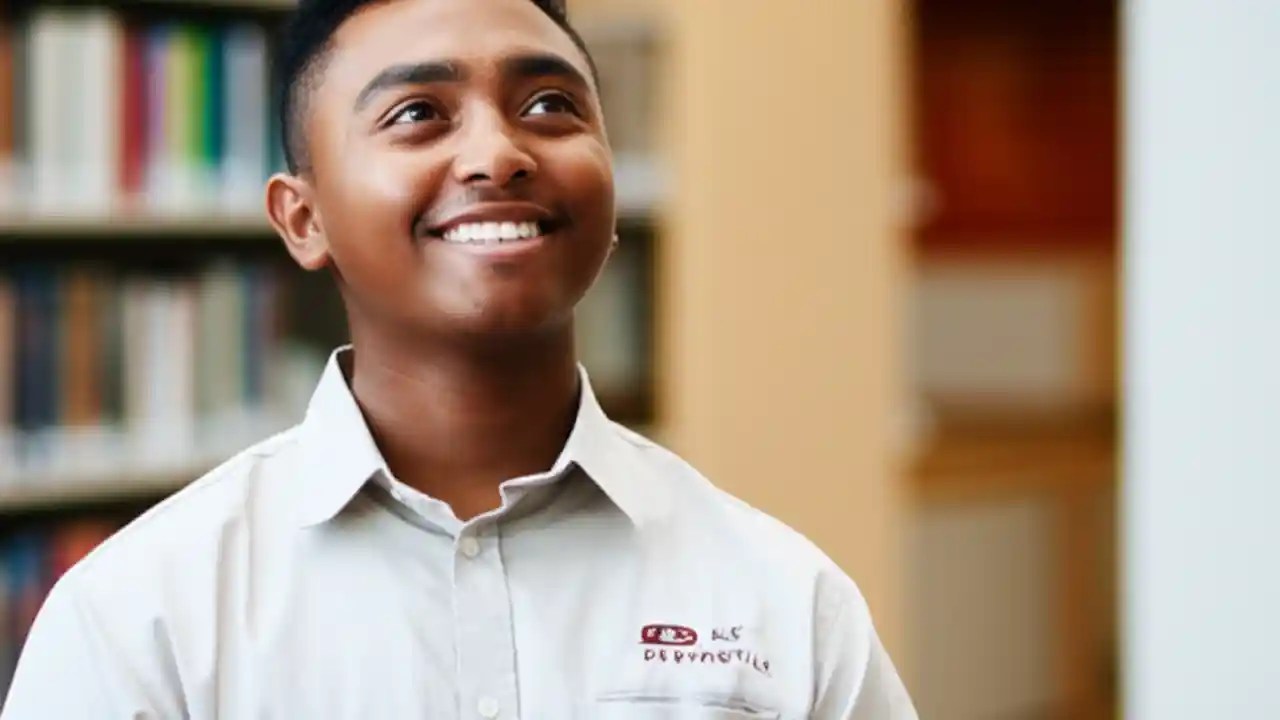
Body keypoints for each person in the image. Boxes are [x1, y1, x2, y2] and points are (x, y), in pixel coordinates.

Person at [1, 0, 917, 717]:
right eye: (417, 114)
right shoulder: (142, 616)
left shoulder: (784, 599)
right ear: (303, 217)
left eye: (550, 105)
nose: (498, 152)